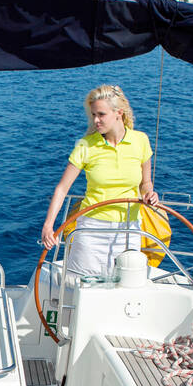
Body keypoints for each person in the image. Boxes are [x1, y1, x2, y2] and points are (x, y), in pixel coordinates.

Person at [40, 85, 158, 278]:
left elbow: (145, 184)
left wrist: (149, 194)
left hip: (129, 229)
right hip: (91, 229)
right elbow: (62, 188)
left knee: (126, 284)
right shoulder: (86, 145)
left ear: (119, 113)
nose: (95, 120)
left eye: (101, 114)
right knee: (81, 284)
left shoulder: (140, 141)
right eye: (93, 114)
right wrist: (48, 225)